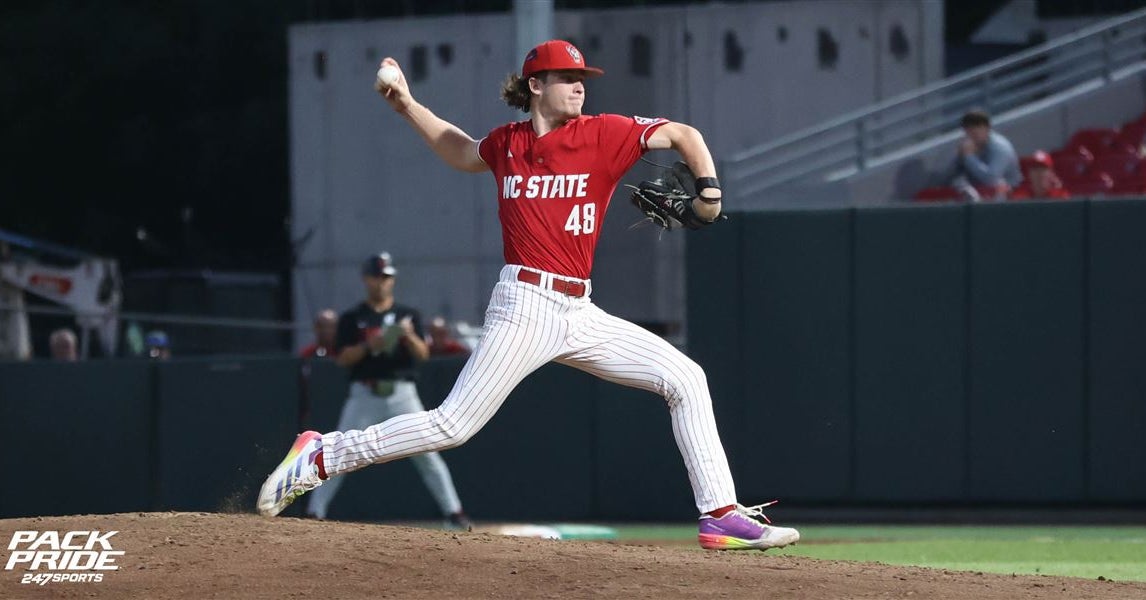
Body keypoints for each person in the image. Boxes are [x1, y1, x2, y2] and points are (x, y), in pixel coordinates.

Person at [258, 40, 799, 551]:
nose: (580, 86)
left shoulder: (603, 133)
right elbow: (462, 150)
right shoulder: (508, 143)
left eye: (582, 78)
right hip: (524, 305)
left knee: (686, 377)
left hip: (579, 310)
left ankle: (720, 515)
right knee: (453, 424)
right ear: (535, 85)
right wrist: (407, 106)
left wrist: (709, 192)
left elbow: (685, 134)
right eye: (567, 78)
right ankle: (325, 452)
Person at [302, 252, 472, 530]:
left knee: (427, 452)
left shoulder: (408, 315)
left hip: (402, 394)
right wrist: (373, 344)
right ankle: (314, 512)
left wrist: (406, 335)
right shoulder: (353, 318)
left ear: (392, 280)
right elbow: (342, 359)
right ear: (366, 279)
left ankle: (454, 513)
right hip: (364, 394)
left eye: (386, 277)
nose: (381, 282)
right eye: (376, 277)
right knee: (340, 450)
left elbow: (423, 354)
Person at [950, 110, 1021, 202]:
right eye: (968, 132)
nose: (971, 137)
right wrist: (960, 158)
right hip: (981, 194)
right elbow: (953, 176)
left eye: (975, 133)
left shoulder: (1000, 147)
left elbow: (991, 179)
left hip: (1011, 194)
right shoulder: (968, 146)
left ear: (987, 129)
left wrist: (969, 157)